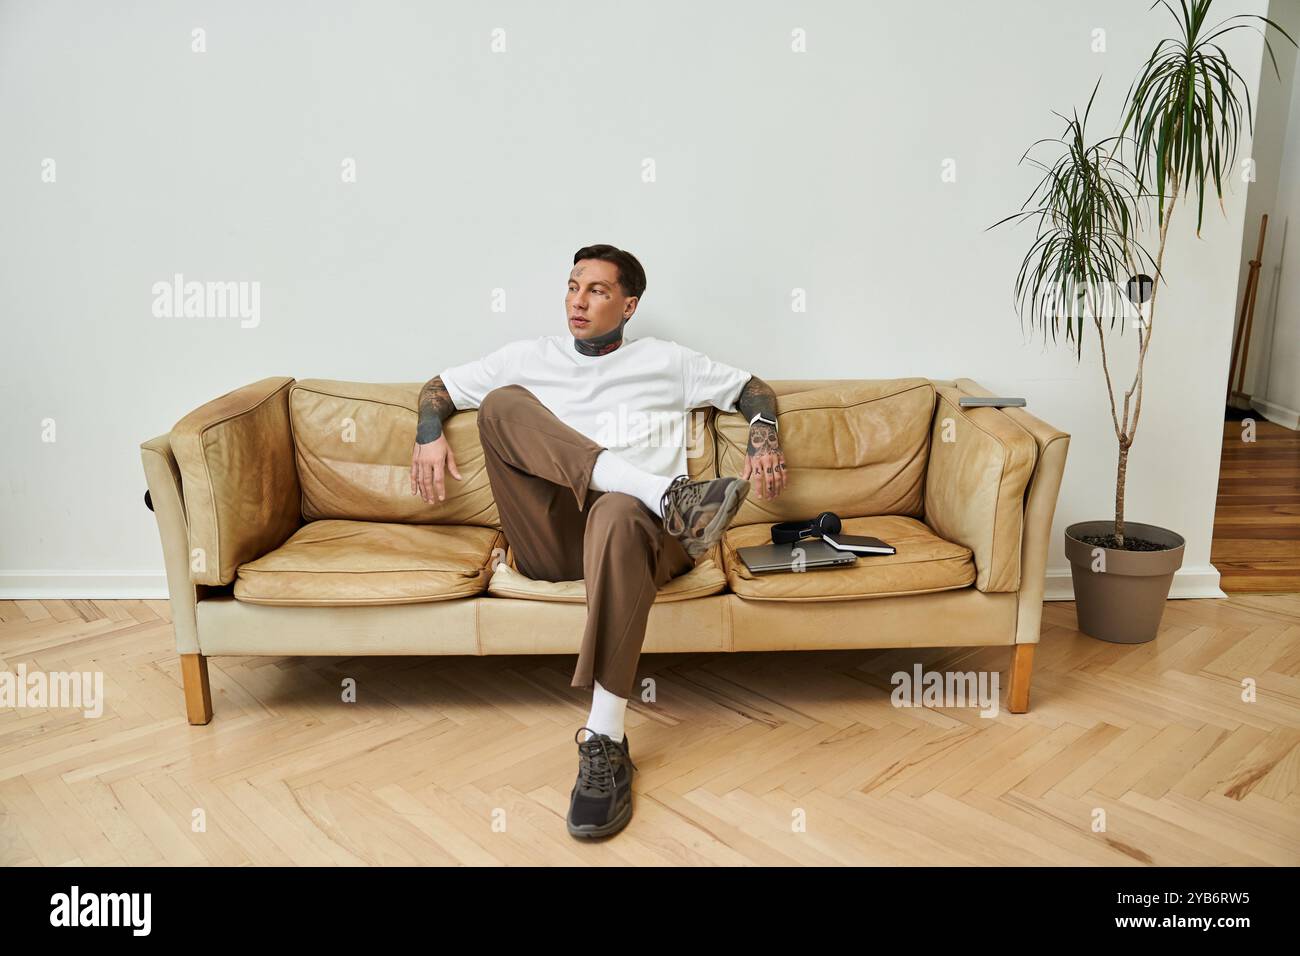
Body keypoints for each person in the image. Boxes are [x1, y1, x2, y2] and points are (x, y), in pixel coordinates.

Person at [410, 244, 788, 839]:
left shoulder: (667, 361)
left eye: (597, 290)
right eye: (571, 287)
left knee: (614, 508)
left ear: (630, 305)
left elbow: (753, 389)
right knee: (503, 403)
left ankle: (606, 738)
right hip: (553, 539)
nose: (577, 301)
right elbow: (439, 388)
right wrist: (429, 432)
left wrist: (763, 434)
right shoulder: (528, 358)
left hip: (642, 537)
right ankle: (665, 491)